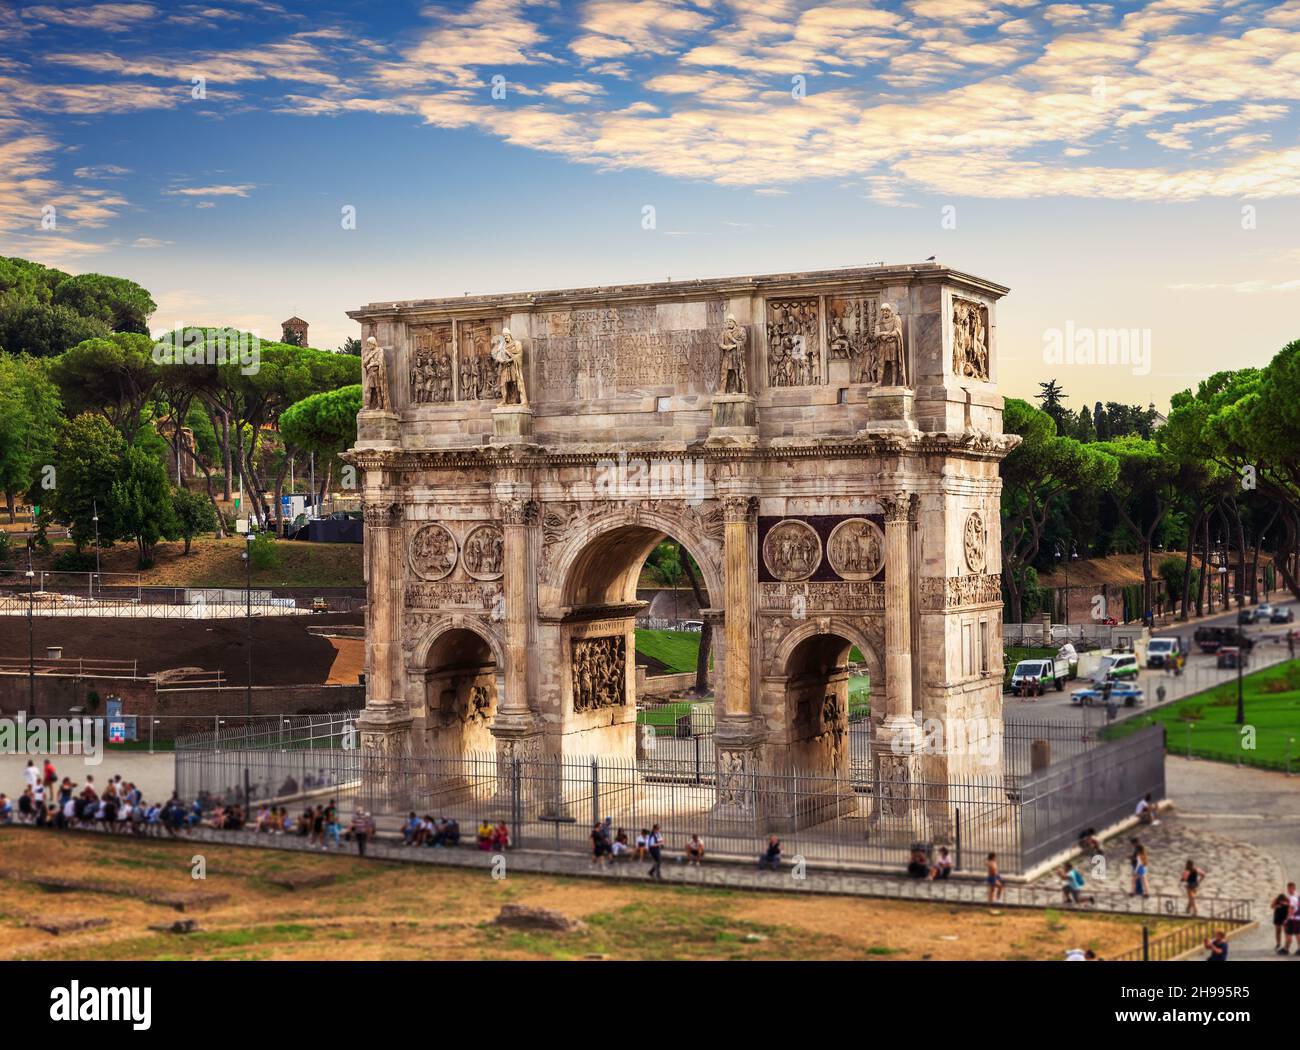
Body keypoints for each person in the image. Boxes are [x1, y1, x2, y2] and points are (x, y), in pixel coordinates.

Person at [1284, 882, 1300, 955]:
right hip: (1298, 918)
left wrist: (1286, 919)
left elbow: (1291, 909)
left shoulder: (1292, 898)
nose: (1288, 890)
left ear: (1293, 888)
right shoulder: (1297, 895)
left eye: (1289, 888)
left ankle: (1286, 949)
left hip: (1292, 918)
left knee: (1289, 934)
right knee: (1297, 933)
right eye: (1288, 888)